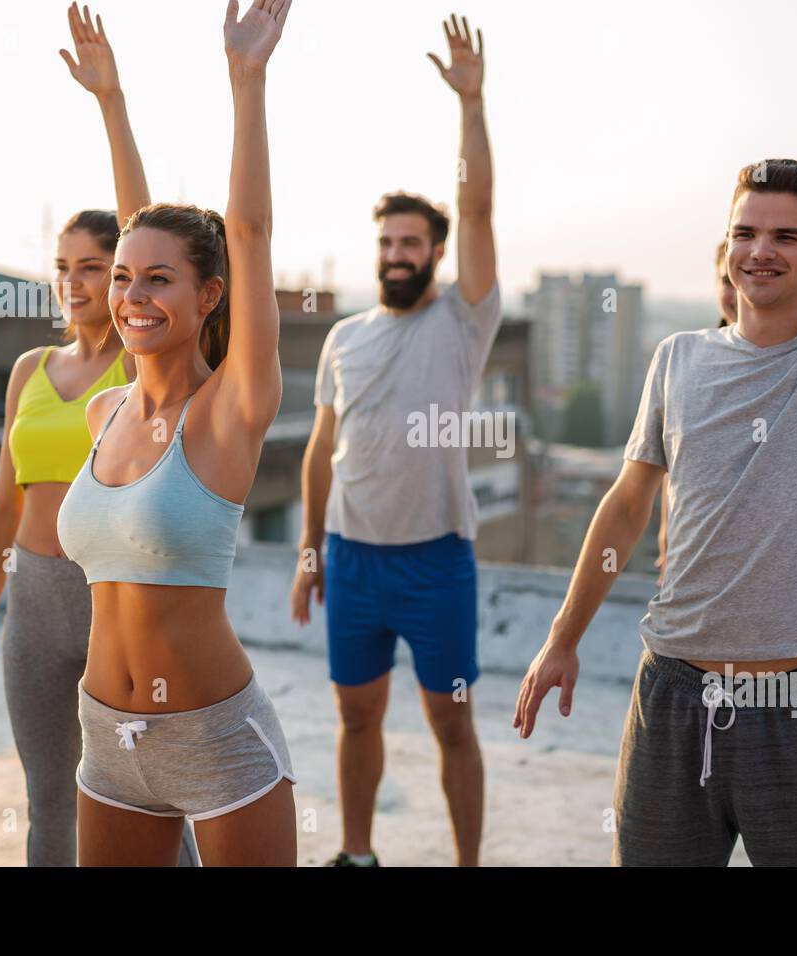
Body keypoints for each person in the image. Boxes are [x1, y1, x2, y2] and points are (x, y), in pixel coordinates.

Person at [514, 0, 797, 866]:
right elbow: (626, 511)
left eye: (786, 235)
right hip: (671, 697)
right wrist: (562, 639)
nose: (761, 251)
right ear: (726, 245)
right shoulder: (676, 358)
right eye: (746, 232)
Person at [0, 3, 196, 867]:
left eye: (95, 267)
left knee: (151, 799)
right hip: (33, 606)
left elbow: (144, 221)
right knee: (49, 803)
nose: (77, 282)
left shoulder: (135, 367)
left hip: (114, 598)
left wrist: (111, 101)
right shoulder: (28, 371)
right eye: (65, 268)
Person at [56, 0, 296, 866]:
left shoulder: (231, 413)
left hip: (215, 742)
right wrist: (111, 103)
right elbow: (139, 226)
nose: (133, 297)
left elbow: (249, 234)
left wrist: (247, 80)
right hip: (105, 740)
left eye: (162, 281)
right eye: (122, 280)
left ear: (212, 296)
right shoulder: (105, 411)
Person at [289, 14, 500, 867]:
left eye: (412, 241)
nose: (396, 253)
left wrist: (472, 104)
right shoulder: (344, 338)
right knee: (355, 716)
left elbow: (480, 203)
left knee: (451, 720)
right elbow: (319, 450)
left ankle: (467, 864)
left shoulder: (464, 319)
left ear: (439, 253)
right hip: (353, 559)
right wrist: (309, 548)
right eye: (386, 242)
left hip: (436, 561)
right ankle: (357, 853)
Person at [660, 81, 797, 583]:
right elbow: (669, 474)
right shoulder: (686, 361)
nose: (756, 263)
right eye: (727, 276)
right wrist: (667, 542)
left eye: (779, 243)